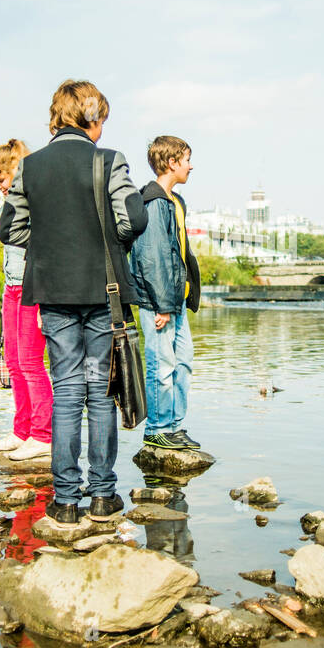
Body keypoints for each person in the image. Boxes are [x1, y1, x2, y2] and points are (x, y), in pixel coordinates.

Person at [0, 80, 148, 524]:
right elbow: (132, 219)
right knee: (101, 391)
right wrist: (108, 238)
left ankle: (64, 502)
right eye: (102, 117)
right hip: (105, 291)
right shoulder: (109, 161)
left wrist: (50, 245)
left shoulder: (30, 167)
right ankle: (103, 497)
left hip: (53, 291)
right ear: (93, 118)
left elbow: (11, 230)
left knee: (65, 390)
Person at [0, 140, 53, 461]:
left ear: (18, 171)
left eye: (1, 179)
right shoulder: (11, 201)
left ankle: (43, 434)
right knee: (13, 362)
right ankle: (22, 430)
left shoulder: (38, 201)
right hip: (11, 289)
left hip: (32, 288)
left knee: (31, 362)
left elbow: (48, 250)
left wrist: (44, 298)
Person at [129, 135, 201, 451]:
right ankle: (157, 428)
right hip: (160, 301)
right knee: (161, 364)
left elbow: (178, 253)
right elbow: (152, 254)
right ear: (172, 163)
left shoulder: (176, 202)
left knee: (183, 360)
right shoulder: (154, 201)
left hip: (176, 299)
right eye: (187, 159)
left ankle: (172, 426)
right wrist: (161, 304)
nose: (191, 165)